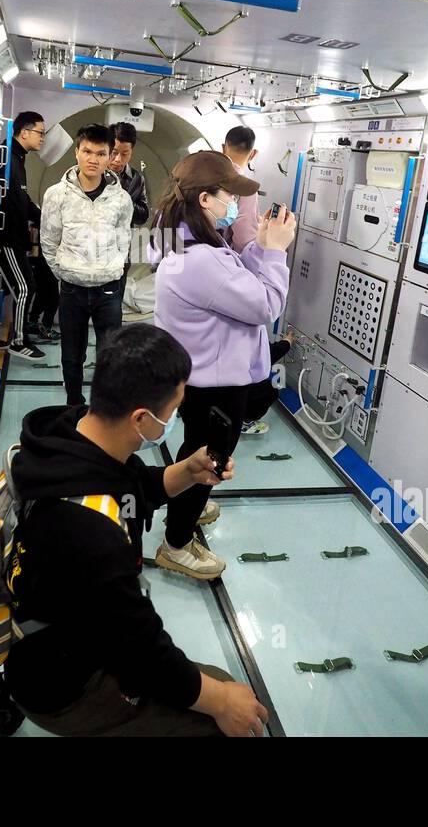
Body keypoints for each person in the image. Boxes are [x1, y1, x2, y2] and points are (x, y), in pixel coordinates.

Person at [2, 323, 270, 737]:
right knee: (229, 715)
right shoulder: (90, 533)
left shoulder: (72, 435)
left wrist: (186, 473)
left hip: (53, 640)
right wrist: (219, 703)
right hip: (66, 685)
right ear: (142, 419)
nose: (176, 417)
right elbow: (141, 650)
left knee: (216, 684)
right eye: (174, 409)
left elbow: (131, 488)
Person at [149, 151, 296, 579]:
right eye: (228, 194)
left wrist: (258, 245)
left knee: (195, 448)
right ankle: (176, 545)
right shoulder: (199, 259)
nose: (234, 201)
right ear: (204, 200)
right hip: (215, 384)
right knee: (212, 458)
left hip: (199, 376)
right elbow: (264, 303)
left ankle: (186, 496)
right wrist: (275, 251)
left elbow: (234, 279)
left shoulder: (182, 239)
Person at [40, 124, 133, 406]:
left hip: (108, 288)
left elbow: (124, 239)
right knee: (71, 353)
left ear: (109, 158)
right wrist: (66, 270)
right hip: (72, 288)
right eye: (87, 151)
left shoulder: (121, 199)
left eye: (101, 153)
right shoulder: (57, 195)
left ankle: (103, 409)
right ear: (77, 153)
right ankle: (74, 404)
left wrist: (112, 268)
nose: (93, 159)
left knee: (110, 354)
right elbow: (49, 240)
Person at [0, 111, 47, 361]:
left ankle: (19, 334)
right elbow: (13, 203)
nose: (43, 138)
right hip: (8, 238)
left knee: (23, 286)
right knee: (25, 286)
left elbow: (23, 199)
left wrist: (42, 216)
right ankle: (17, 341)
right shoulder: (8, 158)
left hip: (16, 237)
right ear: (24, 132)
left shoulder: (18, 157)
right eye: (40, 132)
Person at [109, 121, 151, 303]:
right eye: (114, 152)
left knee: (114, 302)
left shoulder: (136, 179)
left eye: (124, 154)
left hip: (121, 250)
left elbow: (143, 215)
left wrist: (124, 201)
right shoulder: (94, 174)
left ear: (131, 151)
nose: (118, 159)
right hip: (92, 247)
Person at [220, 125, 261, 254]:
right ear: (253, 154)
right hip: (218, 256)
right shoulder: (246, 189)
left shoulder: (204, 173)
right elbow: (244, 240)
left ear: (223, 148)